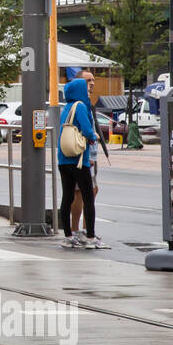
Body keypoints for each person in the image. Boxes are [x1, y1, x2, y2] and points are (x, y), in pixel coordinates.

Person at [57, 75, 104, 249]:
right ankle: (91, 237)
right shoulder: (81, 107)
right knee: (88, 197)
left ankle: (68, 236)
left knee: (67, 196)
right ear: (79, 91)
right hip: (79, 160)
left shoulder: (66, 108)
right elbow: (86, 129)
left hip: (63, 159)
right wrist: (94, 137)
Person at [69, 70, 100, 237]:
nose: (92, 83)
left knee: (86, 192)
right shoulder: (81, 104)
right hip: (83, 155)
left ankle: (78, 231)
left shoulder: (81, 102)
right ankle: (80, 231)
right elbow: (88, 131)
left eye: (93, 79)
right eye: (88, 80)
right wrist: (91, 156)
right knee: (82, 193)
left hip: (82, 155)